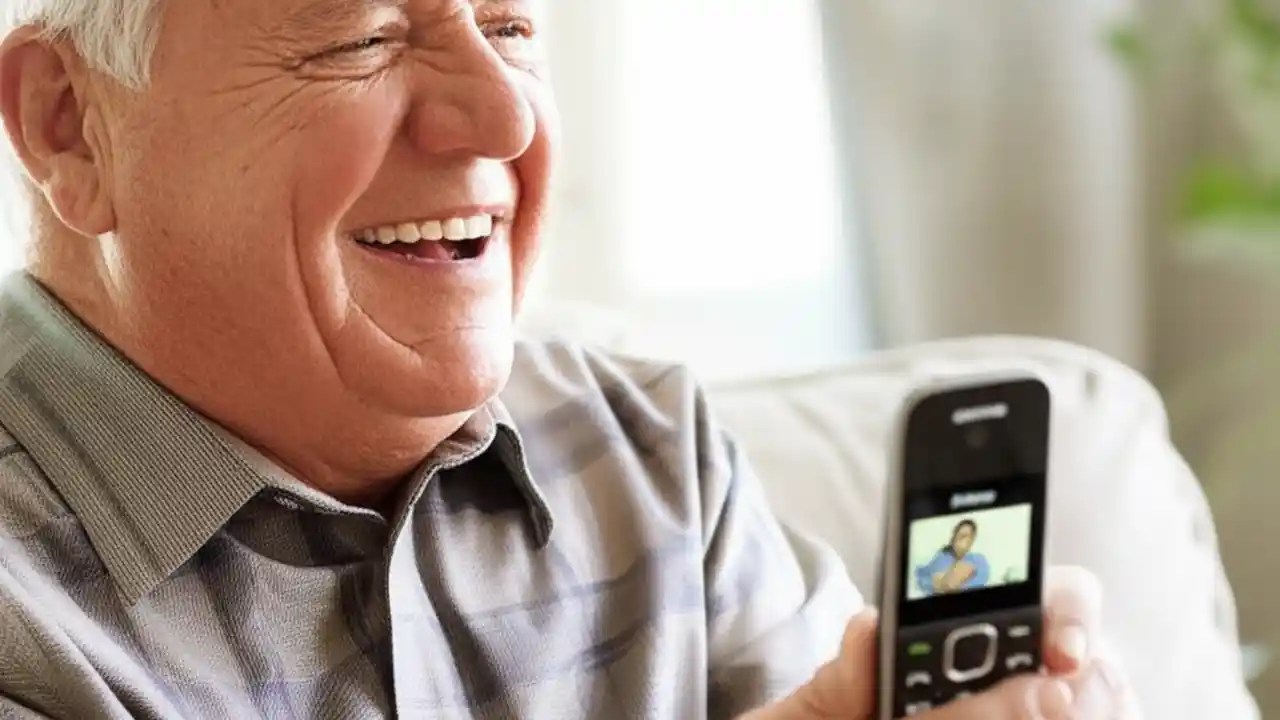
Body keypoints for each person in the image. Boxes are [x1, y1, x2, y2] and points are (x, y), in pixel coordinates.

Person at [0, 1, 1136, 718]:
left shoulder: (646, 450)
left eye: (507, 26)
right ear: (67, 125)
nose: (499, 117)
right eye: (363, 35)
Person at [917, 519, 992, 596]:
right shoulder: (941, 558)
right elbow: (925, 579)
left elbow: (982, 577)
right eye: (957, 534)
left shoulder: (978, 560)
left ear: (971, 540)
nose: (958, 539)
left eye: (964, 536)